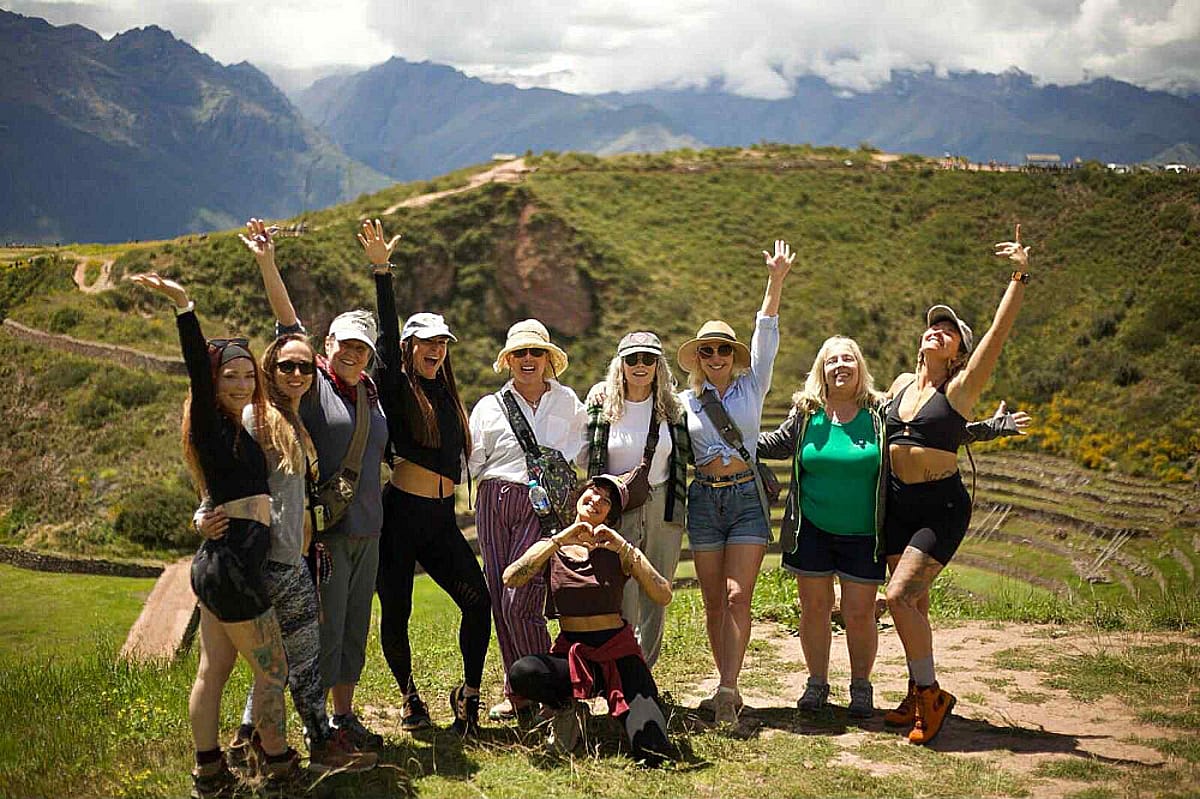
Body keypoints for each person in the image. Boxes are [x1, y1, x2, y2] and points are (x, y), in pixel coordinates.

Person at [758, 336, 1029, 720]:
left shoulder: (878, 412)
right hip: (812, 529)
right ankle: (816, 683)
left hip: (864, 533)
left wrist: (991, 428)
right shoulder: (806, 413)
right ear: (822, 369)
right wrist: (733, 446)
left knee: (859, 613)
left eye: (848, 359)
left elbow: (936, 431)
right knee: (814, 610)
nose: (840, 366)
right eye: (832, 360)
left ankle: (861, 687)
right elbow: (774, 443)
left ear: (860, 367)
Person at [129, 273, 299, 797]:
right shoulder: (209, 421)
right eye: (230, 375)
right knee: (273, 671)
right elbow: (196, 374)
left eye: (249, 376)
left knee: (214, 670)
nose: (242, 384)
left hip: (217, 563)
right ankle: (277, 764)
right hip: (232, 569)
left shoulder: (236, 426)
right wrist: (185, 307)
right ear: (213, 379)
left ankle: (208, 771)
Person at [197, 327, 377, 772]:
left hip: (291, 556)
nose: (297, 374)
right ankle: (320, 746)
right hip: (275, 560)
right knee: (305, 662)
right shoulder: (258, 418)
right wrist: (202, 514)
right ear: (269, 370)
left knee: (276, 662)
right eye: (286, 366)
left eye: (304, 367)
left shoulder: (291, 420)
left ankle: (248, 743)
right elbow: (226, 472)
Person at [881, 225, 1032, 744]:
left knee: (899, 598)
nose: (937, 332)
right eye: (933, 326)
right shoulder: (901, 384)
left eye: (949, 332)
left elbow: (997, 334)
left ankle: (932, 696)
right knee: (915, 606)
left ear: (959, 353)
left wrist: (1018, 277)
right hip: (897, 504)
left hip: (939, 507)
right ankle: (915, 689)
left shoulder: (961, 388)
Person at [243, 218, 390, 749]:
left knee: (354, 627)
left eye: (362, 349)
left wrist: (383, 272)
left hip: (369, 529)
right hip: (326, 534)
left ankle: (344, 716)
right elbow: (287, 323)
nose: (353, 354)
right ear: (327, 345)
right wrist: (267, 262)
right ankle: (318, 723)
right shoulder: (314, 382)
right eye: (344, 345)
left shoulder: (370, 392)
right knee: (323, 629)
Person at [360, 220, 492, 736]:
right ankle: (410, 697)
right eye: (426, 342)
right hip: (400, 518)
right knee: (397, 612)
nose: (436, 349)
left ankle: (469, 695)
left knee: (477, 601)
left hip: (440, 520)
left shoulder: (447, 393)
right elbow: (385, 335)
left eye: (442, 342)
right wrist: (383, 272)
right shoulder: (396, 386)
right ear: (410, 347)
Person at [677, 240, 793, 725]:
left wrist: (775, 279)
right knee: (711, 601)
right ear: (697, 358)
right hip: (704, 499)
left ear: (734, 355)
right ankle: (724, 681)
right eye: (706, 351)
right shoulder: (685, 401)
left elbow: (766, 333)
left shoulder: (753, 385)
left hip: (746, 495)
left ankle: (728, 688)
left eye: (723, 349)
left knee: (735, 596)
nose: (715, 356)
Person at [504, 476, 675, 765]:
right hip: (574, 654)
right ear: (579, 498)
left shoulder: (619, 550)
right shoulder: (553, 546)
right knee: (523, 673)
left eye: (606, 500)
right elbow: (511, 578)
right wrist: (559, 540)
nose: (596, 500)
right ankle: (568, 710)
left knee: (653, 752)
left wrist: (624, 547)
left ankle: (628, 713)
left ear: (611, 515)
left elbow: (663, 594)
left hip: (618, 653)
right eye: (592, 493)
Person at [468, 319, 587, 721]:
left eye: (536, 352)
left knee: (521, 599)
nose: (528, 359)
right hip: (493, 500)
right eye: (520, 353)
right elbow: (472, 461)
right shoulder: (488, 406)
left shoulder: (569, 402)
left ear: (549, 358)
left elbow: (584, 452)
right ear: (508, 360)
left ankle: (552, 693)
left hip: (542, 507)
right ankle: (518, 690)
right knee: (500, 599)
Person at [580, 331, 690, 667]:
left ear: (658, 365)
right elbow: (586, 456)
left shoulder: (674, 408)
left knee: (656, 589)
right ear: (621, 364)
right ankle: (622, 669)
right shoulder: (601, 405)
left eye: (648, 359)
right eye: (632, 359)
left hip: (663, 505)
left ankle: (645, 671)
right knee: (620, 592)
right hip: (617, 508)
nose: (640, 365)